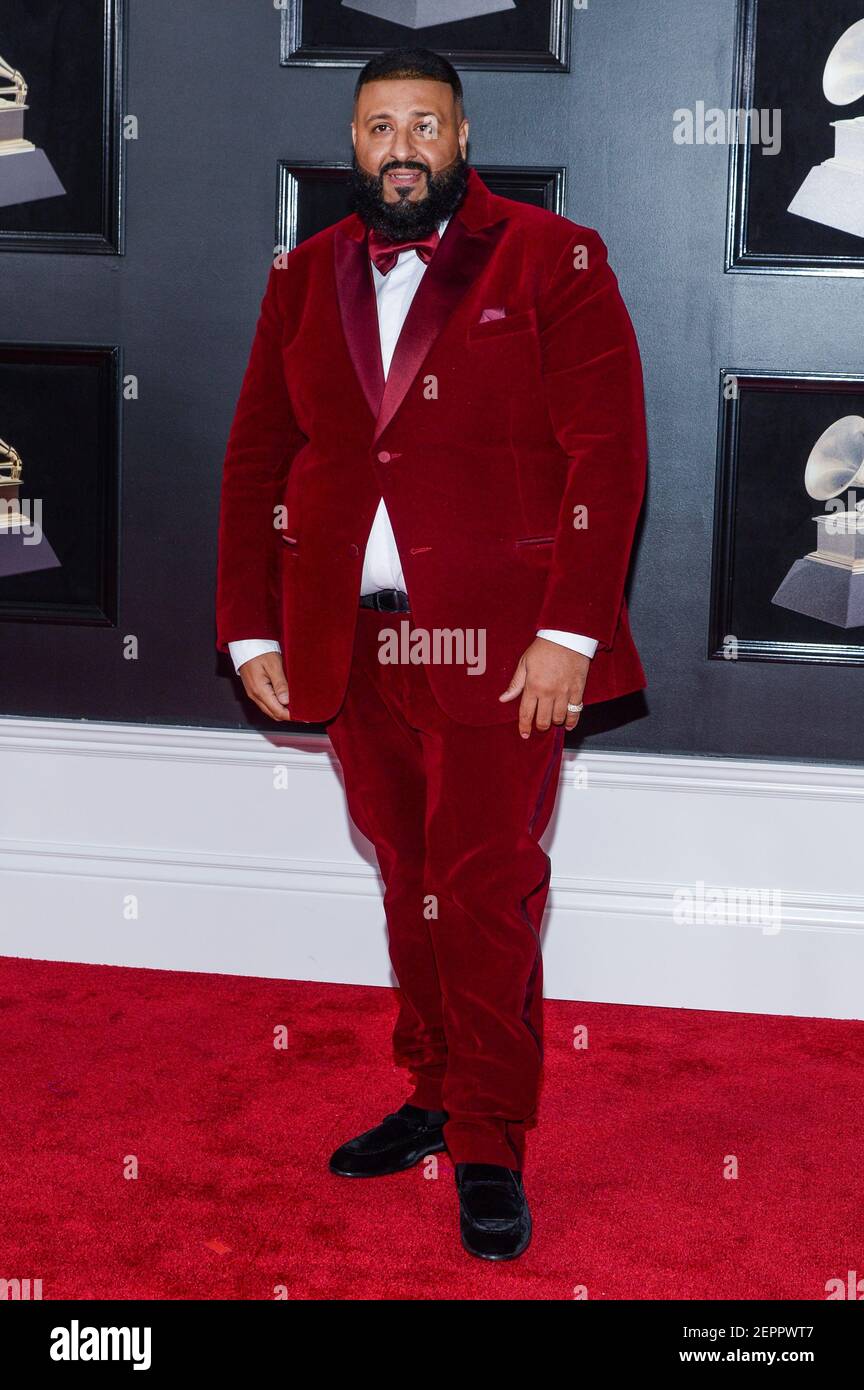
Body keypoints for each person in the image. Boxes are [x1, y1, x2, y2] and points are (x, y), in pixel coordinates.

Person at [216, 46, 647, 1261]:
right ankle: (433, 1093)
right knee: (408, 878)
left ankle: (493, 1140)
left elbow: (605, 455)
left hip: (506, 649)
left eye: (423, 125)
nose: (399, 146)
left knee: (485, 888)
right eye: (377, 127)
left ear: (462, 137)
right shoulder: (301, 275)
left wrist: (570, 631)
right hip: (351, 641)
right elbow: (257, 458)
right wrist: (250, 624)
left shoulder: (554, 256)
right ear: (353, 144)